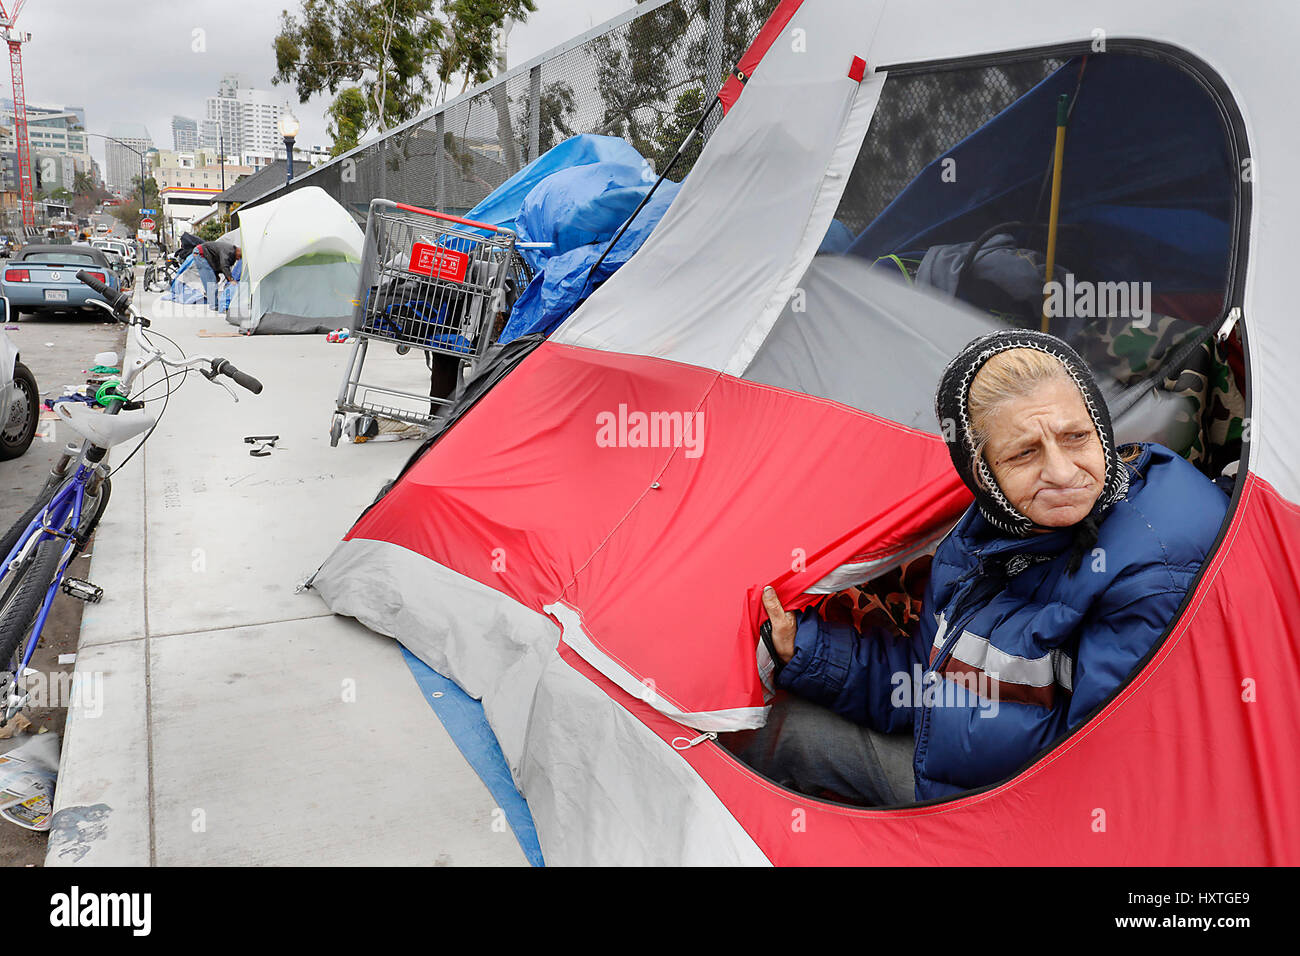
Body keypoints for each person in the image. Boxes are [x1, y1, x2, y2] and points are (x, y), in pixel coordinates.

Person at [742, 329, 1229, 805]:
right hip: (962, 771)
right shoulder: (984, 536)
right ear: (982, 473)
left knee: (785, 745)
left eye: (1076, 437)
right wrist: (805, 651)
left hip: (1015, 818)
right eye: (1024, 453)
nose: (1062, 472)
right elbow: (931, 680)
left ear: (1100, 429)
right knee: (778, 728)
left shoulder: (1155, 573)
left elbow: (1095, 776)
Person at [194, 240, 241, 310]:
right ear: (238, 251)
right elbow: (224, 265)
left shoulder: (232, 253)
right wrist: (231, 279)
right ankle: (214, 306)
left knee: (214, 280)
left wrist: (217, 274)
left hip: (207, 256)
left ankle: (214, 303)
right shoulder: (229, 251)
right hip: (201, 254)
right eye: (239, 256)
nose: (239, 259)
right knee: (211, 281)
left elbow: (218, 261)